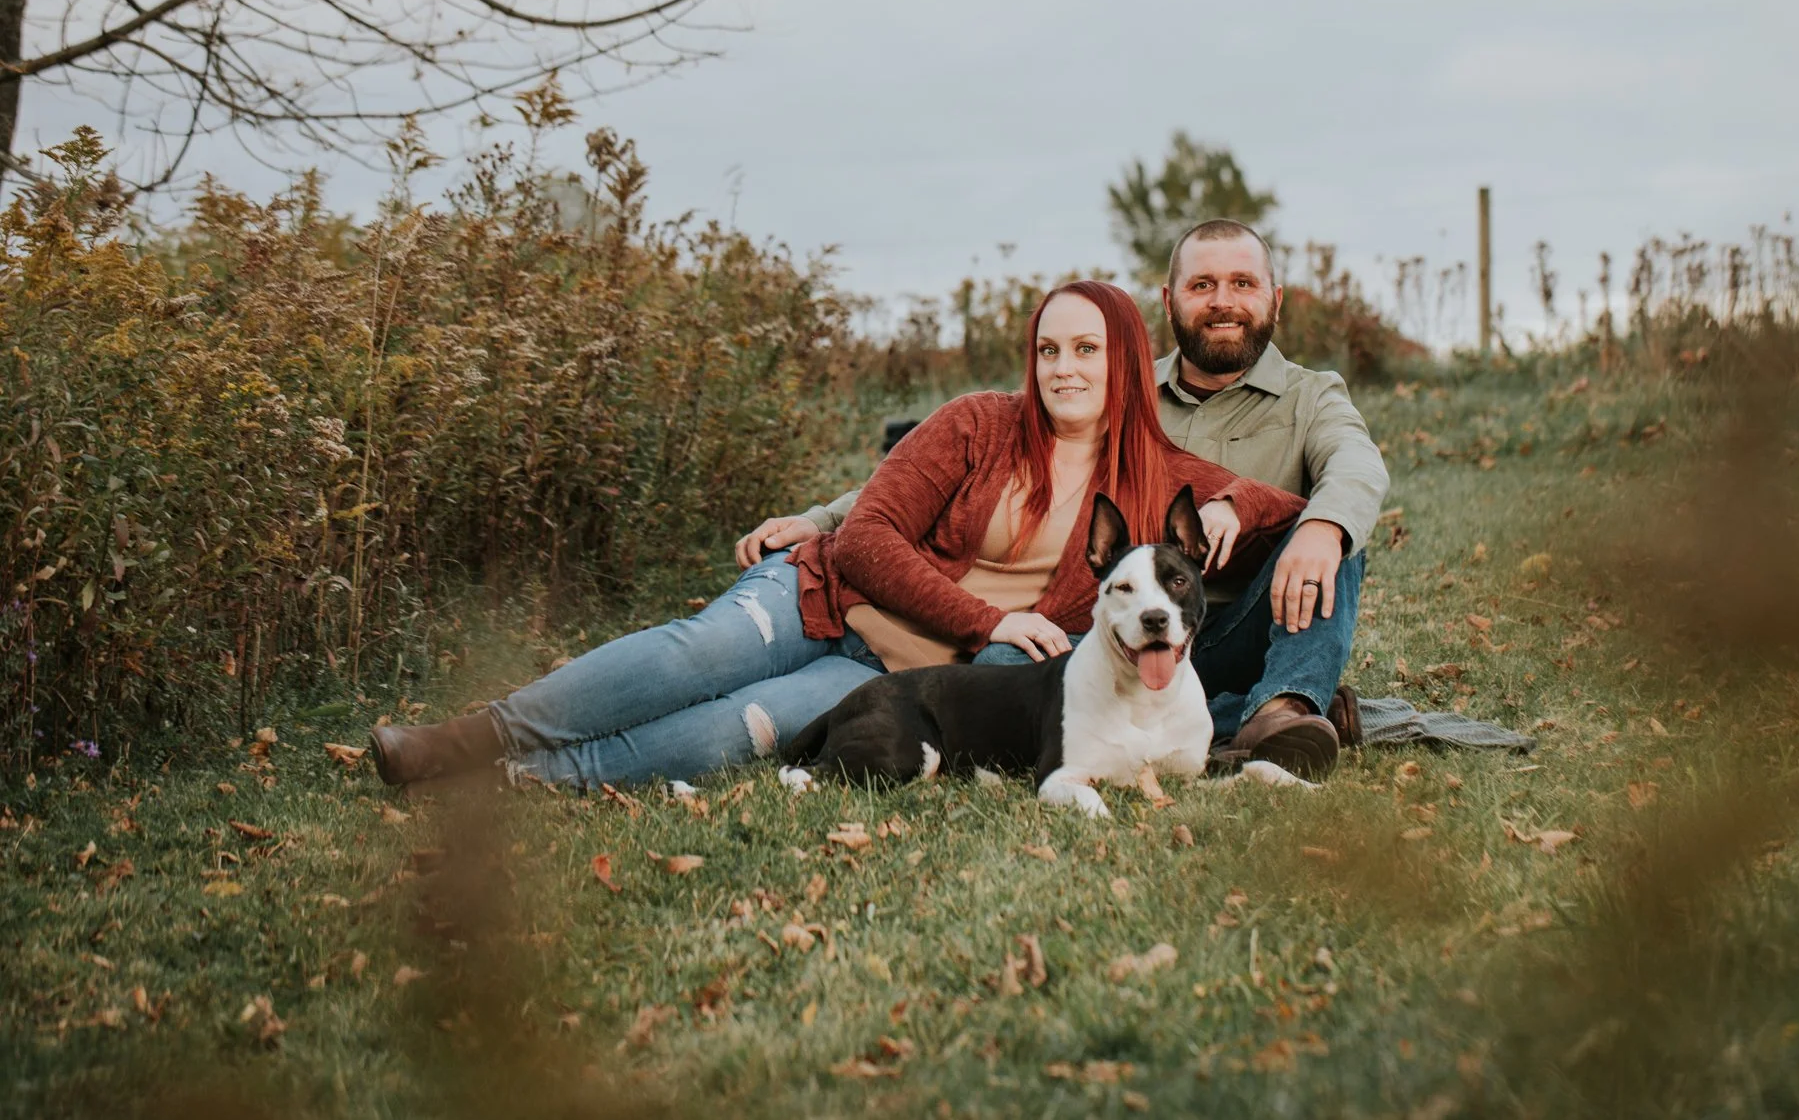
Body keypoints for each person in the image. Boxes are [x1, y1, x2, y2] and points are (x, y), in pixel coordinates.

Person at [367, 279, 1306, 791]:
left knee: (726, 738)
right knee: (695, 655)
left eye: (1087, 348)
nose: (1065, 366)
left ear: (1127, 359)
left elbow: (1283, 505)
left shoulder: (1154, 469)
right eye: (1049, 348)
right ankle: (461, 739)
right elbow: (865, 537)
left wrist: (1232, 508)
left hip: (882, 677)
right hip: (820, 598)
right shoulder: (976, 422)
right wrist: (982, 621)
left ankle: (518, 781)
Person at [740, 220, 1390, 778]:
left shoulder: (1313, 395)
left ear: (1275, 299)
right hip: (1109, 621)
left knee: (1335, 534)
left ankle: (1280, 711)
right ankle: (1231, 719)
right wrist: (823, 517)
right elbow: (955, 476)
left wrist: (1306, 522)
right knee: (1005, 661)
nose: (1223, 301)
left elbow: (1356, 468)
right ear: (1170, 301)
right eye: (1202, 285)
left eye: (1242, 284)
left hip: (1235, 624)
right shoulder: (1116, 381)